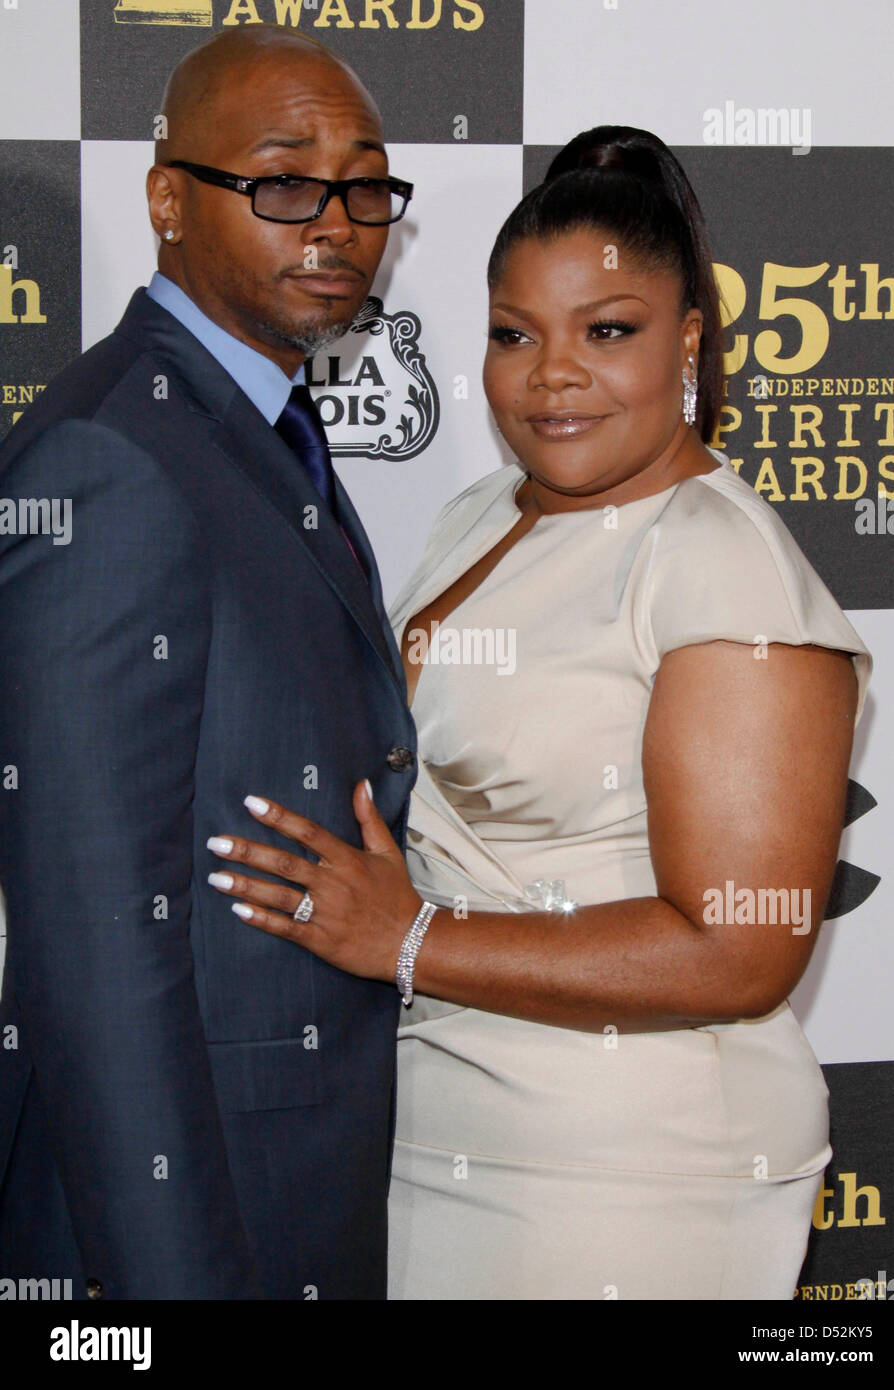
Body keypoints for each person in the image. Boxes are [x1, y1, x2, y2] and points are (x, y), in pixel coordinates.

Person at [206, 125, 874, 1300]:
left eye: (606, 331)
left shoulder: (718, 569)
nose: (551, 374)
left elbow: (738, 947)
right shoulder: (483, 508)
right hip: (439, 1117)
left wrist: (406, 937)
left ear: (687, 340)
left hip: (627, 1169)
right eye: (514, 335)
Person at [0, 27, 417, 1299]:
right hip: (186, 1223)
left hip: (291, 1174)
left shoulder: (252, 418)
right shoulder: (114, 460)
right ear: (168, 201)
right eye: (284, 181)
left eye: (365, 186)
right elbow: (92, 942)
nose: (336, 222)